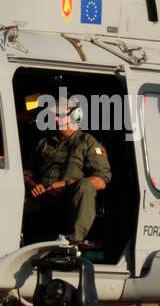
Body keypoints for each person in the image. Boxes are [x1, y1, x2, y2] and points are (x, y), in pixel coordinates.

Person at [22, 100, 111, 245]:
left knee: (85, 186)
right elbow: (26, 173)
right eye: (54, 115)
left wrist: (66, 184)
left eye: (61, 115)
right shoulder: (43, 143)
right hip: (41, 198)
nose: (56, 119)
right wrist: (32, 185)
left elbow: (101, 180)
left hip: (68, 199)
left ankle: (74, 240)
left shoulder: (88, 143)